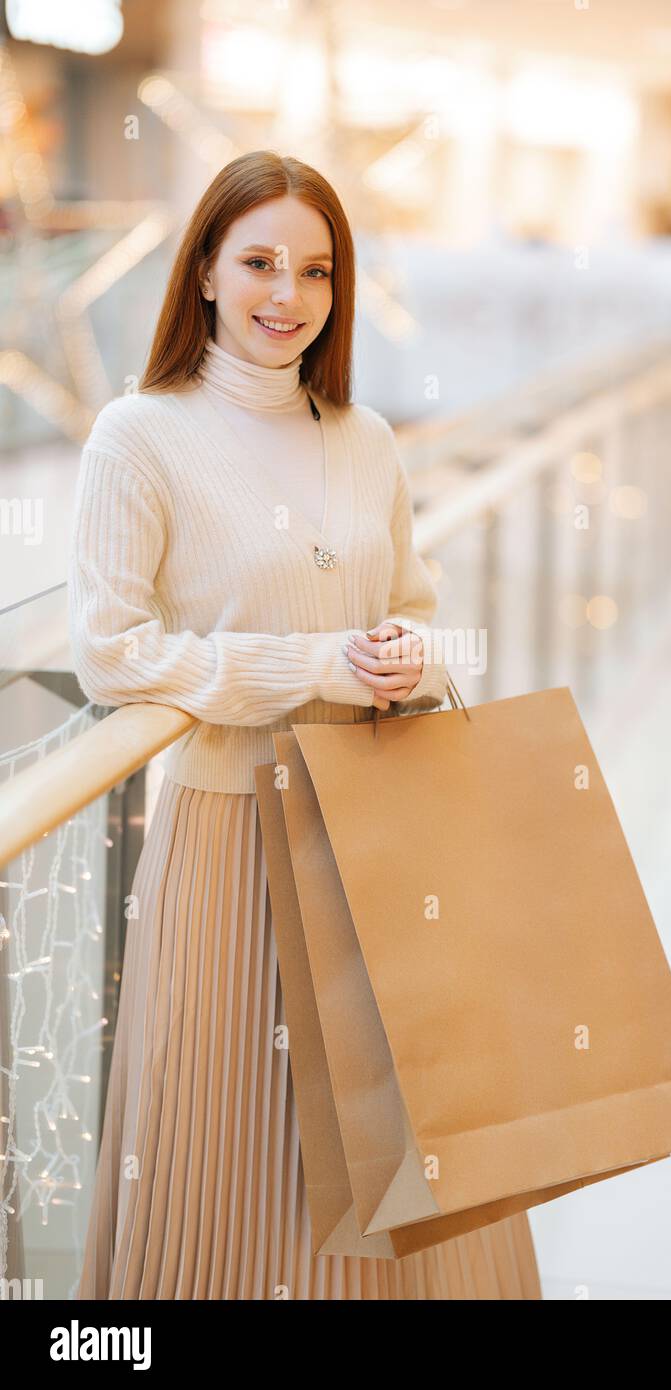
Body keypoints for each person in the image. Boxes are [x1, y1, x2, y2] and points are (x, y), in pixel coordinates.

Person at [69, 149, 542, 1299]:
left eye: (316, 270)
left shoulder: (365, 435)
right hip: (233, 838)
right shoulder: (140, 436)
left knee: (405, 1131)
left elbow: (415, 614)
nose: (288, 295)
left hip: (379, 825)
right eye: (260, 263)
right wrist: (309, 662)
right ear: (207, 275)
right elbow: (110, 652)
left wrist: (401, 654)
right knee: (235, 1134)